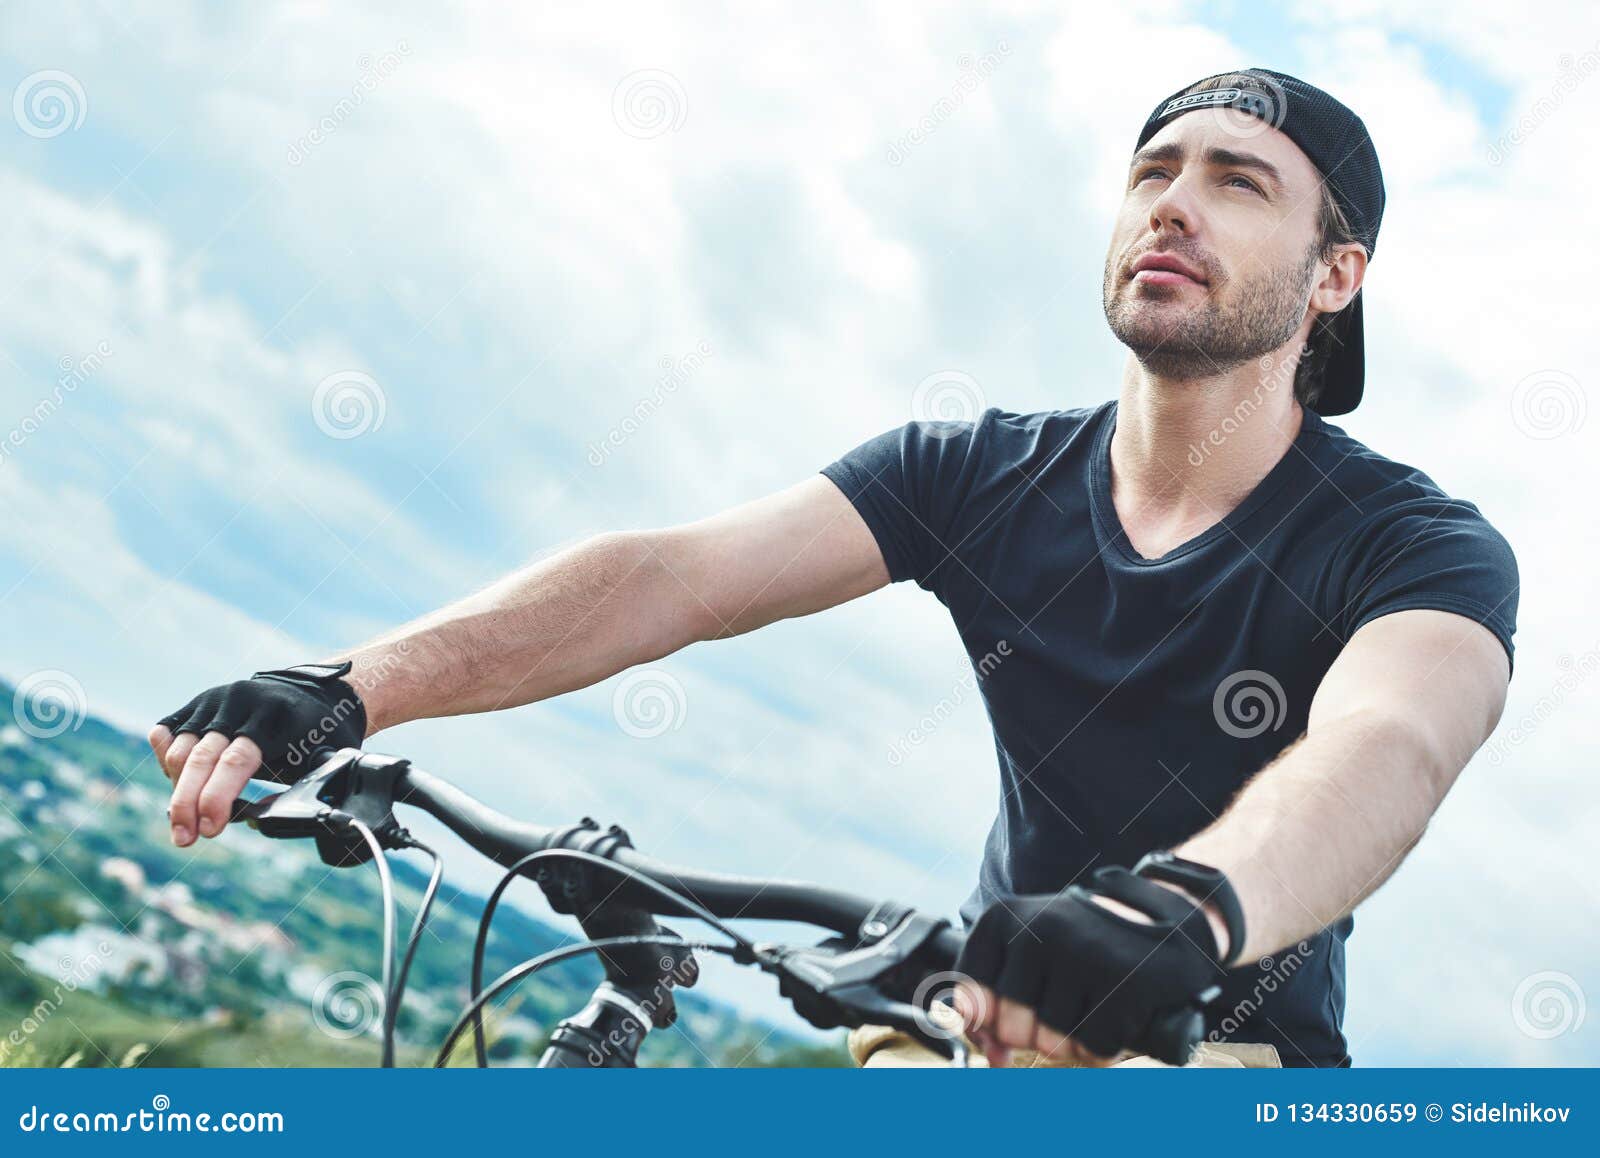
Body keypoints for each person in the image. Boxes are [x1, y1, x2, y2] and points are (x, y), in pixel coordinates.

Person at [150, 69, 1517, 1069]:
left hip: (1232, 1058)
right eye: (1153, 171)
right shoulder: (979, 473)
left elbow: (1394, 741)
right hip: (961, 1017)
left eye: (1238, 182)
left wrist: (1189, 909)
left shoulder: (1412, 544)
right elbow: (664, 578)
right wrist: (347, 683)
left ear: (1336, 275)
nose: (1173, 205)